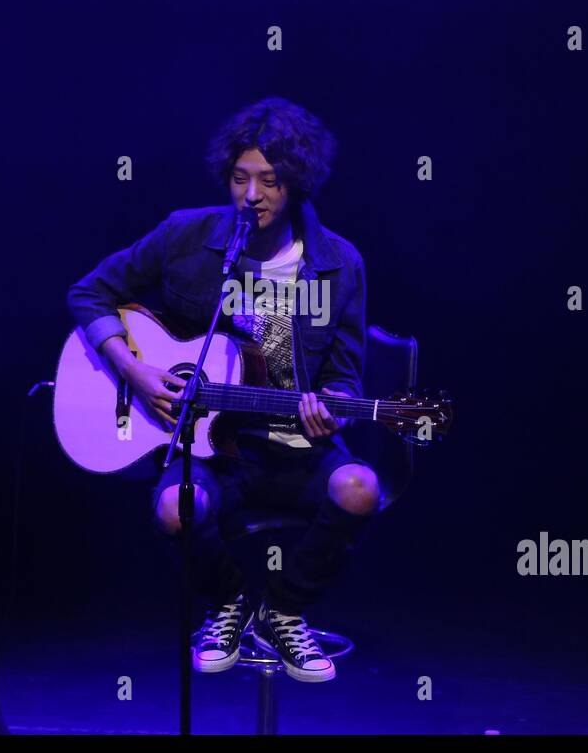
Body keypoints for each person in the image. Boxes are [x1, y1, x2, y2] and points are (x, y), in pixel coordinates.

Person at [68, 96, 379, 682]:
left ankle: (283, 613)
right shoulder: (185, 236)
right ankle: (227, 606)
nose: (251, 195)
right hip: (210, 449)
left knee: (360, 488)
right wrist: (132, 369)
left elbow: (344, 378)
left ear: (297, 183)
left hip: (298, 448)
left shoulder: (340, 263)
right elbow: (89, 293)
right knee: (175, 509)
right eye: (240, 178)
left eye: (269, 181)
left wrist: (334, 410)